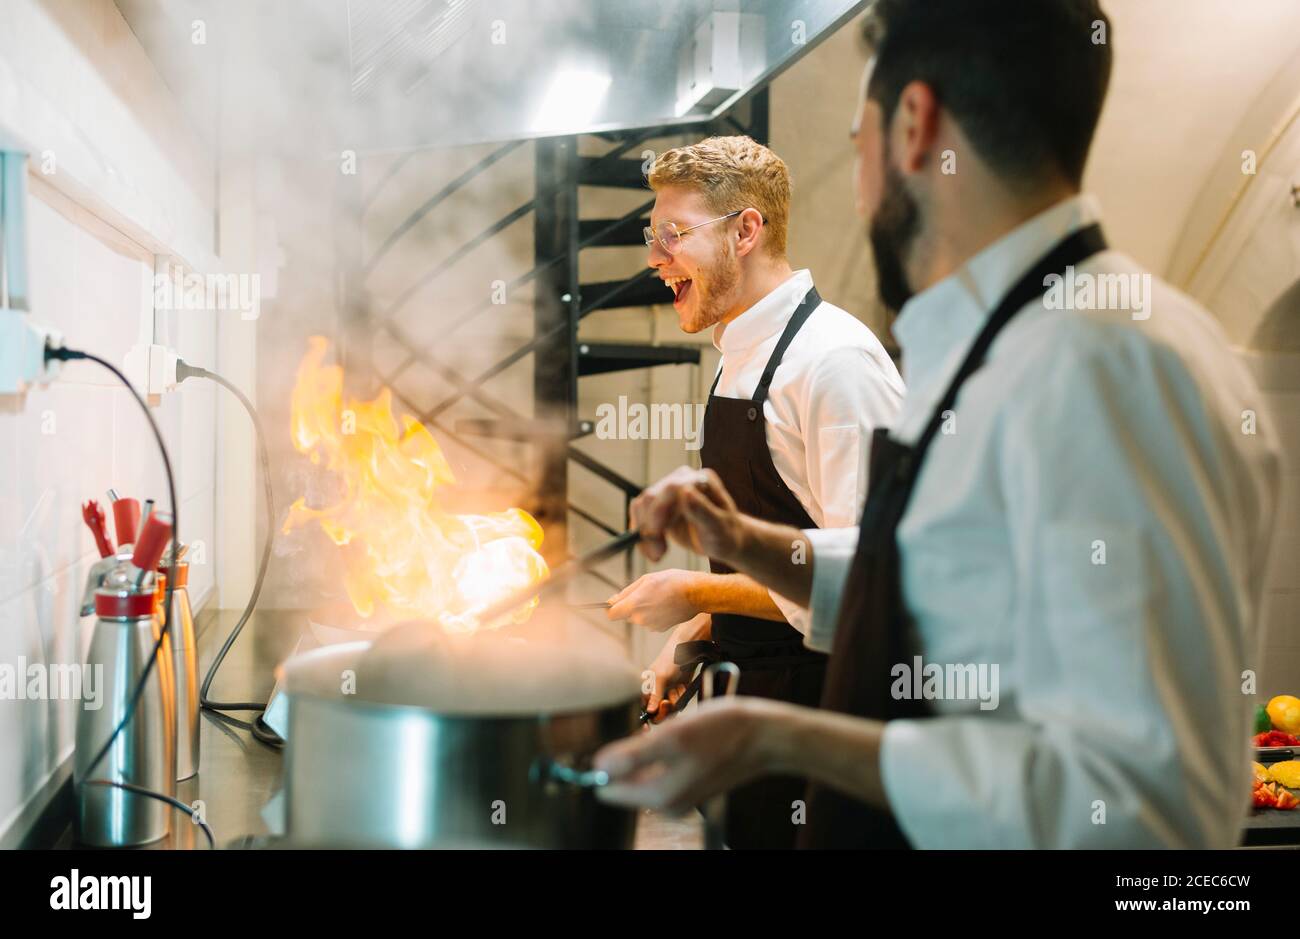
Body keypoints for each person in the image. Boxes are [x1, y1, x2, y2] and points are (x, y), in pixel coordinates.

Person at [594, 0, 1281, 849]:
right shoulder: (1009, 340)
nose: (857, 185)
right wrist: (743, 541)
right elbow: (927, 577)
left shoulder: (1099, 369)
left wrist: (783, 736)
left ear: (914, 127)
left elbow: (1137, 806)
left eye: (857, 146)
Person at [607, 135, 903, 848]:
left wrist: (700, 592)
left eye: (673, 235)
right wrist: (701, 629)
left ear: (746, 230)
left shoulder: (833, 364)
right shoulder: (737, 357)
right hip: (758, 719)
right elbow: (776, 558)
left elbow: (866, 578)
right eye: (654, 236)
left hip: (831, 730)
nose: (654, 257)